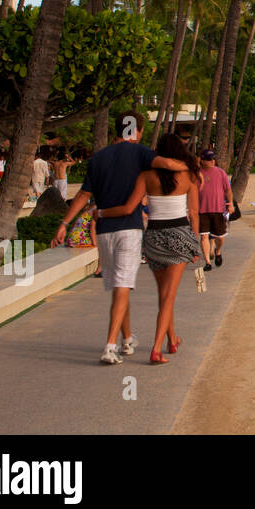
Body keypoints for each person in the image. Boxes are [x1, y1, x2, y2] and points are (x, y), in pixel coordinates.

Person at [51, 109, 188, 364]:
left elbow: (82, 195)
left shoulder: (98, 158)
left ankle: (127, 340)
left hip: (103, 230)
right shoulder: (142, 153)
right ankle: (110, 346)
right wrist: (189, 165)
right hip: (129, 228)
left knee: (118, 286)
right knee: (122, 285)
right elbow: (168, 165)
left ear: (117, 129)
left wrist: (64, 223)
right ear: (138, 131)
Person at [94, 133, 203, 365]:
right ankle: (156, 349)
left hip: (153, 236)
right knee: (169, 296)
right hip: (178, 233)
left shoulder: (146, 175)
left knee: (163, 293)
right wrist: (195, 244)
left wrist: (102, 213)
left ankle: (172, 339)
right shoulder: (189, 176)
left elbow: (128, 208)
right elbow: (193, 213)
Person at [197, 150, 233, 270]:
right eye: (209, 159)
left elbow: (228, 190)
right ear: (202, 160)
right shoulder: (196, 174)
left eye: (213, 159)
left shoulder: (220, 172)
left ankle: (218, 251)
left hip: (218, 209)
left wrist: (231, 203)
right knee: (204, 236)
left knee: (220, 237)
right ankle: (207, 262)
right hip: (202, 210)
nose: (212, 161)